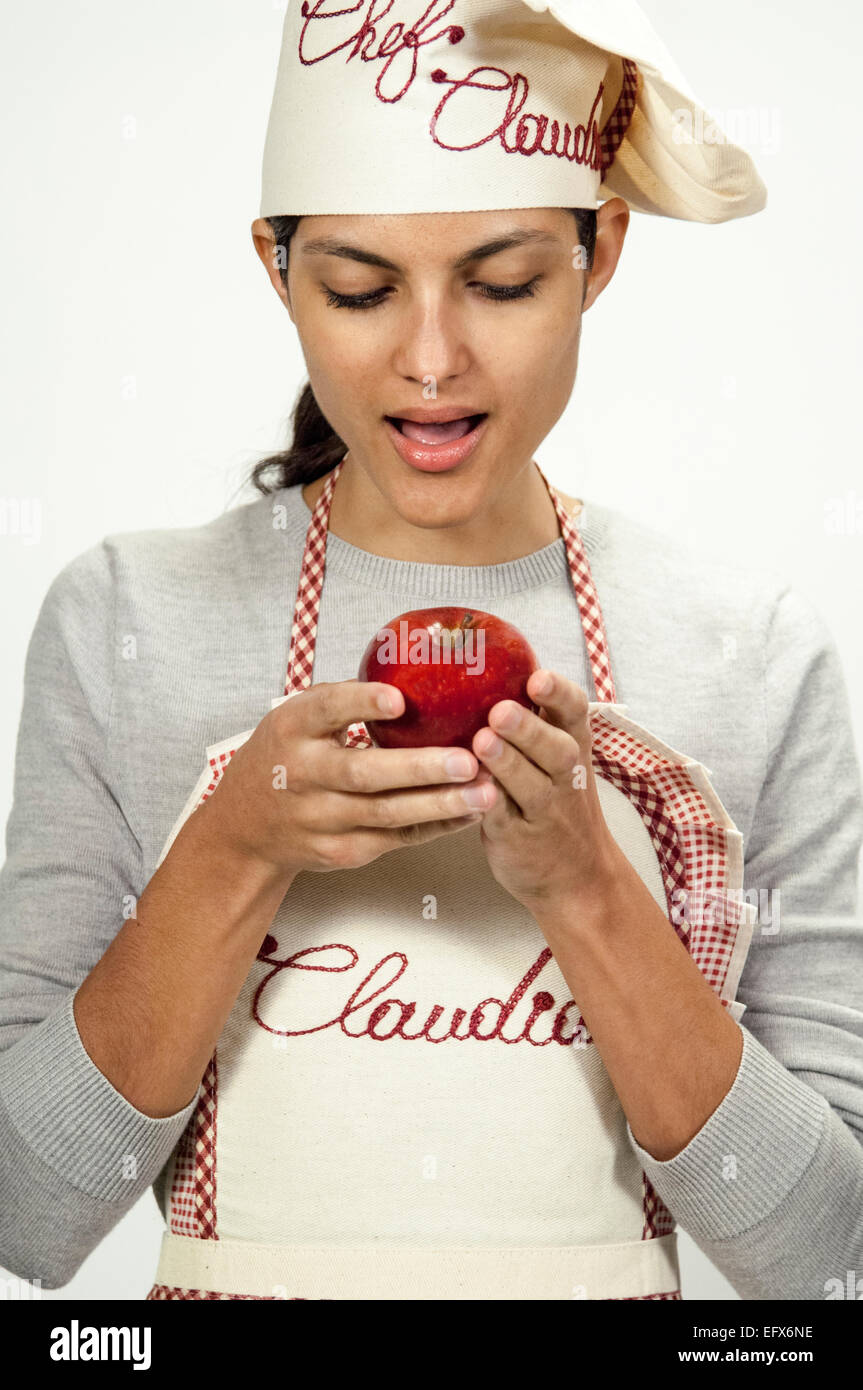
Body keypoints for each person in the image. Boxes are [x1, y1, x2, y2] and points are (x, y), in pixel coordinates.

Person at [1, 0, 861, 1301]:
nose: (430, 361)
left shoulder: (752, 653)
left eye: (505, 280)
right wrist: (233, 845)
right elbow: (30, 1212)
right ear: (276, 267)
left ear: (601, 252)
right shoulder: (126, 621)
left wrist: (584, 888)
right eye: (357, 287)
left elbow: (814, 1257)